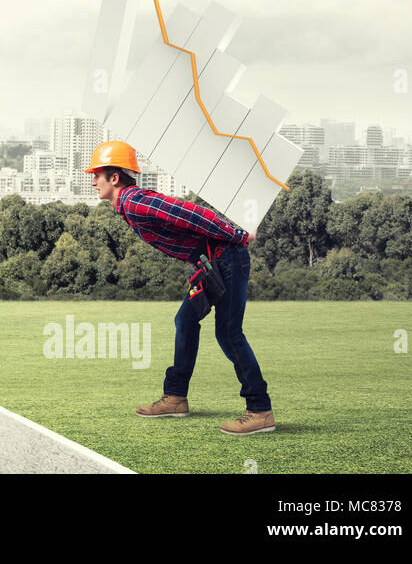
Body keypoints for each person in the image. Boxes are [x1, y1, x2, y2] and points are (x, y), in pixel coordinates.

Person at [85, 140, 275, 436]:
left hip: (227, 257)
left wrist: (238, 236)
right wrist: (197, 268)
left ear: (114, 177)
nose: (92, 180)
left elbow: (190, 214)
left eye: (97, 174)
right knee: (185, 320)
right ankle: (175, 398)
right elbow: (185, 235)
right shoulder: (128, 205)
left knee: (228, 332)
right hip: (210, 263)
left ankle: (260, 410)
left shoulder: (135, 201)